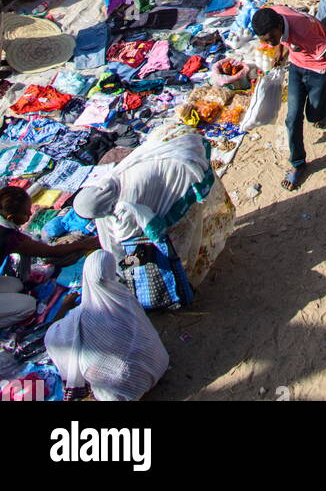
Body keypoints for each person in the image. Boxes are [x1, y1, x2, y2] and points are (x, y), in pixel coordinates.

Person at [74, 121, 233, 285]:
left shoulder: (127, 204)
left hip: (183, 174)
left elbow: (151, 231)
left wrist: (123, 267)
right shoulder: (109, 182)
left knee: (185, 231)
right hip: (182, 150)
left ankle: (192, 271)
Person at [251, 5, 326, 192]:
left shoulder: (303, 32)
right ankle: (298, 163)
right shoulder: (274, 13)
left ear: (279, 25)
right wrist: (280, 48)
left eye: (271, 39)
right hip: (296, 66)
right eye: (265, 40)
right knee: (292, 118)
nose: (269, 43)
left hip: (320, 69)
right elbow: (278, 32)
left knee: (314, 115)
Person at [44, 250, 169, 402]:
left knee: (74, 348)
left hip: (121, 391)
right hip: (158, 363)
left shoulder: (81, 316)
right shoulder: (125, 295)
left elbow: (50, 337)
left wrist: (63, 307)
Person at [0, 186, 100, 325]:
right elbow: (50, 252)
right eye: (26, 214)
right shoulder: (8, 237)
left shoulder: (8, 231)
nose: (30, 215)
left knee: (16, 285)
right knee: (28, 306)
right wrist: (84, 244)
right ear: (10, 217)